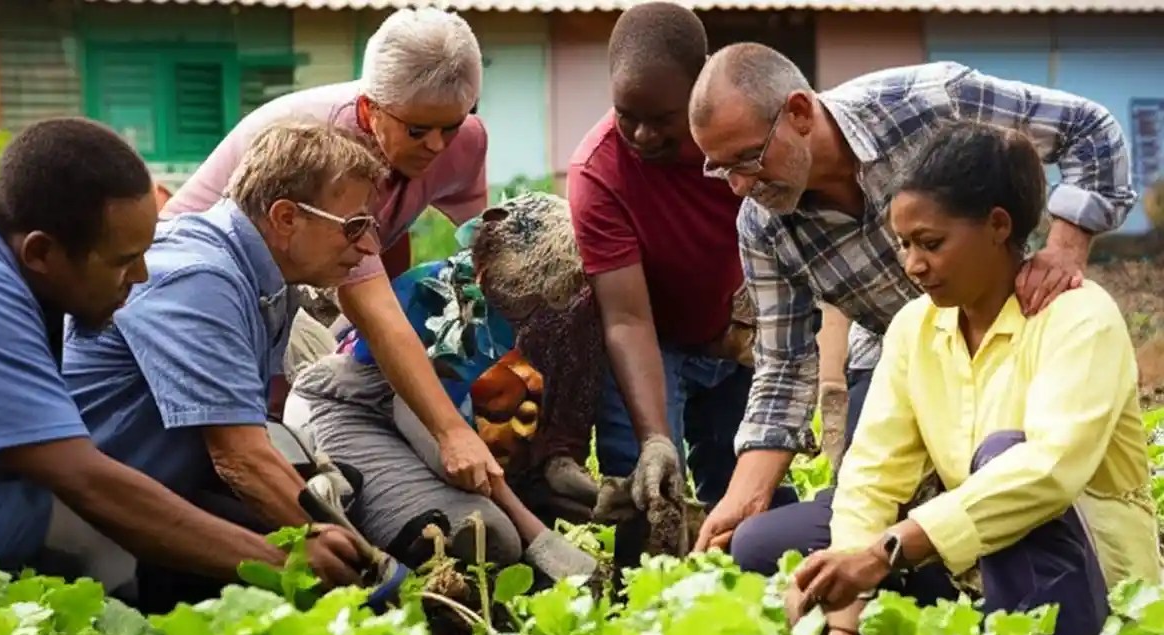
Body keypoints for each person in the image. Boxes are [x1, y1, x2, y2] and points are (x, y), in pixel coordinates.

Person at [0, 118, 357, 635]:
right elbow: (85, 481)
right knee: (68, 552)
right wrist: (283, 562)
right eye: (121, 261)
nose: (141, 276)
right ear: (41, 252)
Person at [686, 44, 1139, 561]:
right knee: (833, 517)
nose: (741, 185)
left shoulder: (931, 102)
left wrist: (1064, 248)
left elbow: (1090, 129)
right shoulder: (762, 225)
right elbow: (784, 365)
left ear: (799, 113)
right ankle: (922, 593)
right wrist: (746, 496)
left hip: (1010, 340)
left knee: (1006, 473)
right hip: (897, 360)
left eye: (749, 158)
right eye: (722, 170)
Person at [782, 121, 1160, 635]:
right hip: (975, 567)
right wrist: (845, 616)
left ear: (998, 226)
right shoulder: (916, 328)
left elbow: (1045, 473)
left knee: (1005, 454)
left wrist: (885, 552)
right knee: (768, 545)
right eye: (904, 244)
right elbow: (872, 473)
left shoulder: (1079, 318)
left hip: (1092, 580)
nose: (913, 265)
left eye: (931, 243)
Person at [165, 10, 499, 497]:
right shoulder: (334, 150)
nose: (436, 145)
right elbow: (372, 306)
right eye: (417, 130)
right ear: (372, 107)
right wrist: (450, 432)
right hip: (208, 288)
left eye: (451, 125)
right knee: (243, 445)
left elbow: (471, 244)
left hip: (291, 287)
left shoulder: (464, 141)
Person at [61, 121, 393, 608]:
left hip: (161, 486)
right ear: (285, 219)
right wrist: (364, 565)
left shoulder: (258, 276)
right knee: (313, 577)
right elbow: (239, 459)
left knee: (335, 503)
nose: (368, 247)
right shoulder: (202, 279)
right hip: (89, 520)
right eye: (355, 226)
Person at [286, 192, 603, 578]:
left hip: (432, 437)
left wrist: (554, 468)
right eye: (521, 298)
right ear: (483, 263)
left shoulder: (533, 316)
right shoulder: (431, 298)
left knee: (496, 537)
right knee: (490, 538)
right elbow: (442, 436)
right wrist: (537, 537)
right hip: (358, 411)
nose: (529, 311)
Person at [567, 3, 754, 520]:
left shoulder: (744, 138)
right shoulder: (599, 173)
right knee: (649, 494)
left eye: (663, 120)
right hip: (653, 344)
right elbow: (627, 319)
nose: (643, 135)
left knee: (744, 492)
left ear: (701, 86)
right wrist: (655, 438)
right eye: (628, 116)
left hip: (738, 335)